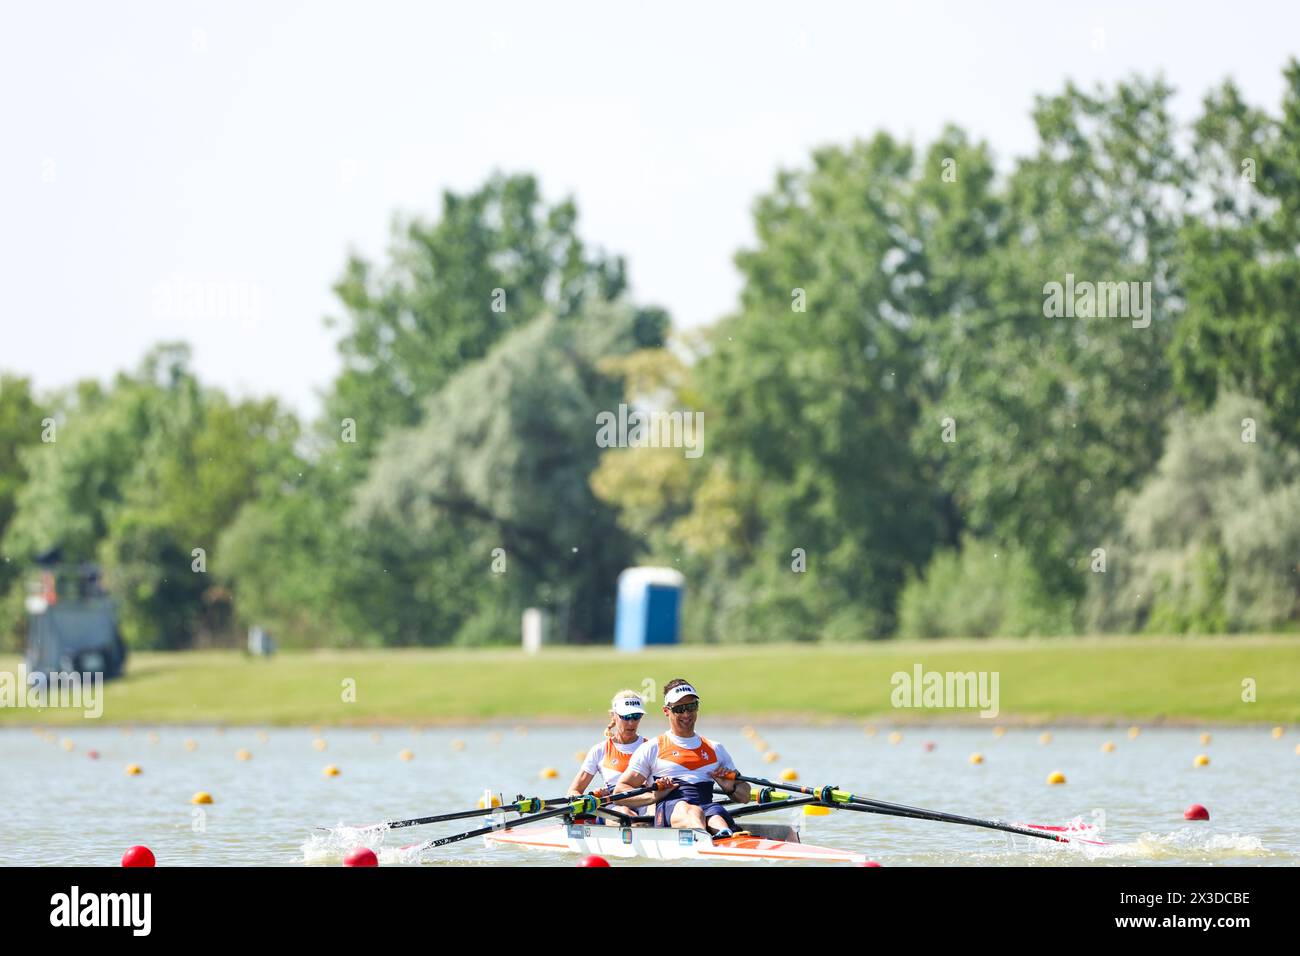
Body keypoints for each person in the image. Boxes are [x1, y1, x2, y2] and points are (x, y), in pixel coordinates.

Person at [616, 679, 750, 838]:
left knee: (716, 816)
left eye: (691, 707)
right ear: (666, 711)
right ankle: (704, 838)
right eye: (679, 709)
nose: (687, 714)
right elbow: (620, 791)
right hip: (672, 808)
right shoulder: (652, 748)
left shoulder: (715, 749)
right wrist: (653, 796)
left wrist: (731, 788)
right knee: (691, 810)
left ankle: (724, 835)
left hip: (708, 807)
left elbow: (745, 796)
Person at [566, 690, 650, 820]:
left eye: (636, 716)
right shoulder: (600, 750)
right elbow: (573, 792)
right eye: (626, 717)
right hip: (613, 808)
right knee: (624, 811)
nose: (631, 723)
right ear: (613, 716)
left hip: (643, 805)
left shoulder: (650, 747)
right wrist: (592, 797)